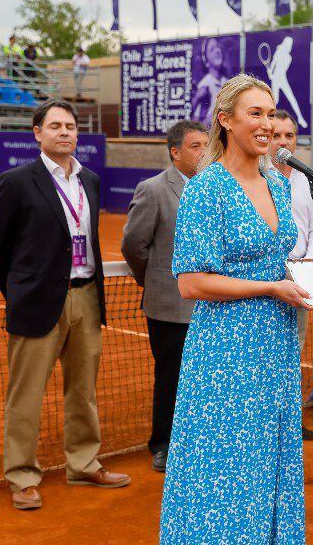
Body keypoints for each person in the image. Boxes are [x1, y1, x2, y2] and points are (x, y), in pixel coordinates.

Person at [160, 75, 313, 543]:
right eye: (256, 114)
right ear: (226, 120)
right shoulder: (205, 189)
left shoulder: (278, 184)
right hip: (225, 352)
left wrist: (306, 283)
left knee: (269, 454)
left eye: (271, 113)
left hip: (277, 343)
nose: (267, 124)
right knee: (226, 464)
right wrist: (271, 287)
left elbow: (278, 258)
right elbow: (191, 282)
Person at [0, 100, 130, 510]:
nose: (64, 132)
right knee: (26, 395)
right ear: (38, 133)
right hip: (38, 302)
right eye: (55, 126)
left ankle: (83, 464)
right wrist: (21, 288)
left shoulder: (91, 181)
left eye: (70, 126)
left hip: (87, 298)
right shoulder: (16, 181)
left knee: (83, 391)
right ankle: (22, 476)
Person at [120, 120, 207, 472]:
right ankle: (163, 444)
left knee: (204, 380)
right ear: (175, 152)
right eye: (196, 146)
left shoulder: (216, 188)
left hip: (210, 303)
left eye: (207, 145)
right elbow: (134, 245)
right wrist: (154, 280)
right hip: (169, 307)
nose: (204, 152)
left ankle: (197, 441)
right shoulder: (153, 189)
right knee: (171, 379)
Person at [269, 109, 313, 442]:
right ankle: (265, 427)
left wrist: (305, 266)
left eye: (289, 135)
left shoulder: (307, 179)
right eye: (276, 135)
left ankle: (290, 423)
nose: (283, 141)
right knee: (265, 358)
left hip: (301, 278)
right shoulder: (256, 177)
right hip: (265, 280)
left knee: (293, 353)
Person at [191, 37, 230, 124]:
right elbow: (196, 118)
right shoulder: (205, 84)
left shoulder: (227, 82)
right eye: (212, 49)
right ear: (206, 61)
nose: (217, 51)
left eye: (218, 47)